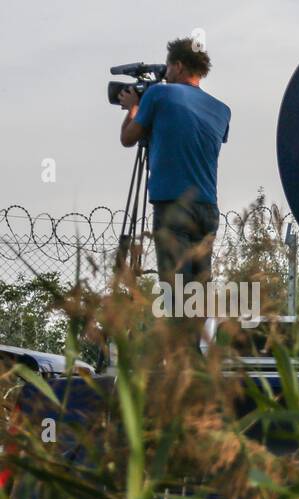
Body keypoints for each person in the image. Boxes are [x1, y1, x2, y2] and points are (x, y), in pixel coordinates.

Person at [118, 37, 231, 308]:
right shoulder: (222, 110)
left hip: (173, 206)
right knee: (198, 295)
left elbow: (128, 138)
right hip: (207, 209)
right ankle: (194, 348)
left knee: (176, 294)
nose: (166, 74)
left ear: (178, 65)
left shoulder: (159, 95)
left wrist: (134, 107)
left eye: (168, 67)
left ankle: (179, 348)